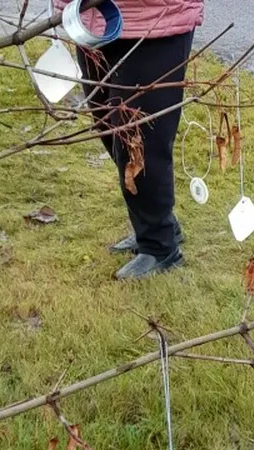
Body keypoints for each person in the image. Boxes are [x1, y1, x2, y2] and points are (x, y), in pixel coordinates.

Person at [57, 0, 203, 279]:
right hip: (90, 16)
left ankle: (160, 247)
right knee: (109, 127)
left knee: (139, 137)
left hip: (153, 19)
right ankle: (159, 224)